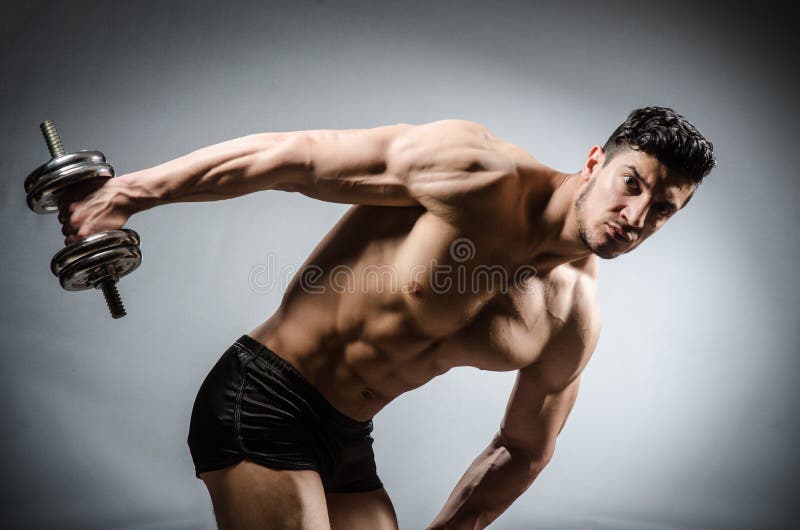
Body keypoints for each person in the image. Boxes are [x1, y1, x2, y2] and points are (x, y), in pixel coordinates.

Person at [59, 106, 715, 529]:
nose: (636, 216)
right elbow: (301, 157)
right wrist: (129, 192)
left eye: (662, 209)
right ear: (596, 162)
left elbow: (523, 448)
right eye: (633, 183)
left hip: (348, 435)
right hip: (265, 395)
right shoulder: (479, 172)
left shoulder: (573, 316)